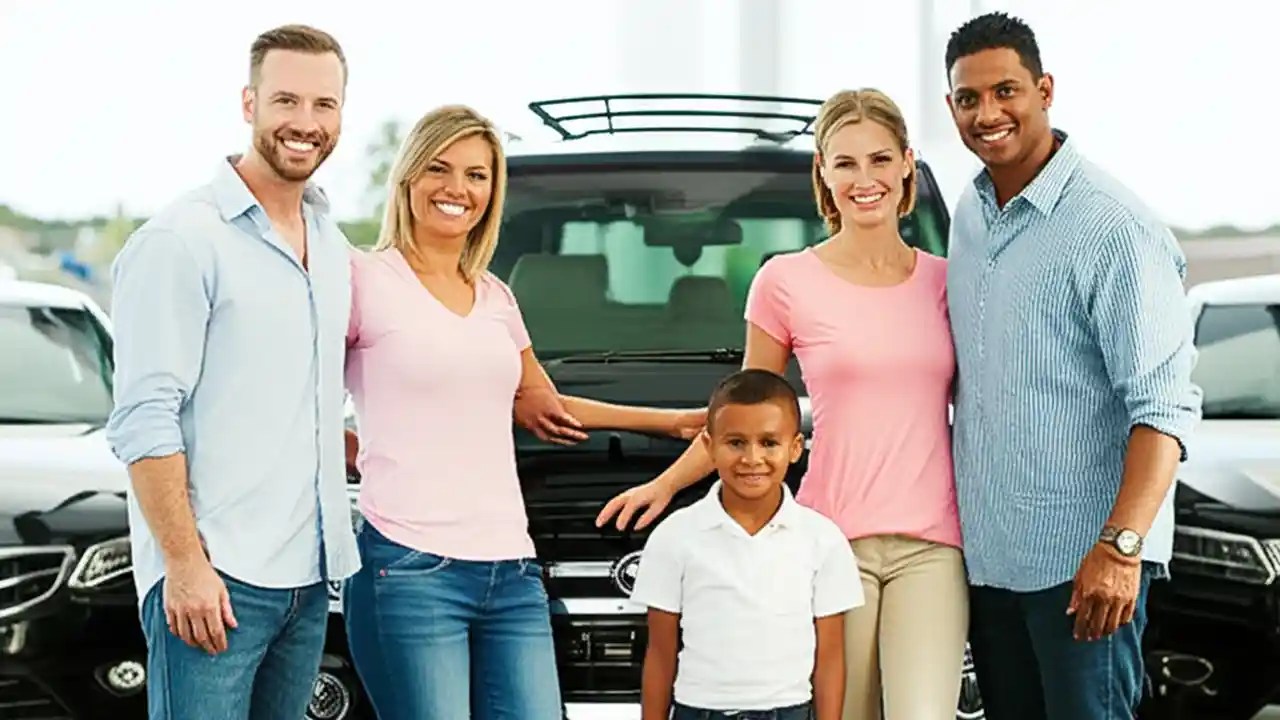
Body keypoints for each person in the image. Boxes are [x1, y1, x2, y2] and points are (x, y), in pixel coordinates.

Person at [595, 89, 971, 719]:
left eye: (879, 160)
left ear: (907, 163)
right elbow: (743, 417)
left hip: (932, 544)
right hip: (828, 543)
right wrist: (664, 485)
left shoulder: (948, 281)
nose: (864, 179)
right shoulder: (786, 281)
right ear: (822, 171)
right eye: (844, 163)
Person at [339, 103, 708, 720]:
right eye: (440, 168)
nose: (458, 189)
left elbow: (542, 406)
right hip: (408, 568)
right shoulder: (361, 279)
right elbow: (299, 393)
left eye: (477, 175)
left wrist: (667, 421)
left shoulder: (495, 295)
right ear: (408, 178)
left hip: (509, 570)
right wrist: (346, 452)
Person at [941, 12, 1202, 720]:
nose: (988, 114)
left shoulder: (1114, 227)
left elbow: (1165, 410)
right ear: (951, 107)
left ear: (1045, 89)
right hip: (992, 567)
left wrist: (1121, 550)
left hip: (1085, 571)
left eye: (1006, 92)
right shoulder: (969, 210)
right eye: (969, 98)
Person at [105, 24, 358, 720]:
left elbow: (303, 404)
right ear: (249, 104)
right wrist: (185, 567)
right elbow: (142, 418)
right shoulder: (182, 239)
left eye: (324, 105)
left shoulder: (331, 243)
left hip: (308, 581)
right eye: (286, 101)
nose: (306, 124)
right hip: (217, 582)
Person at [631, 368, 864, 720]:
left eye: (769, 443)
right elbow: (661, 654)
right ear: (709, 446)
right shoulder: (674, 536)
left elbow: (830, 658)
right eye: (736, 442)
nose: (752, 459)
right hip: (699, 711)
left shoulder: (823, 540)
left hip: (788, 711)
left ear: (795, 448)